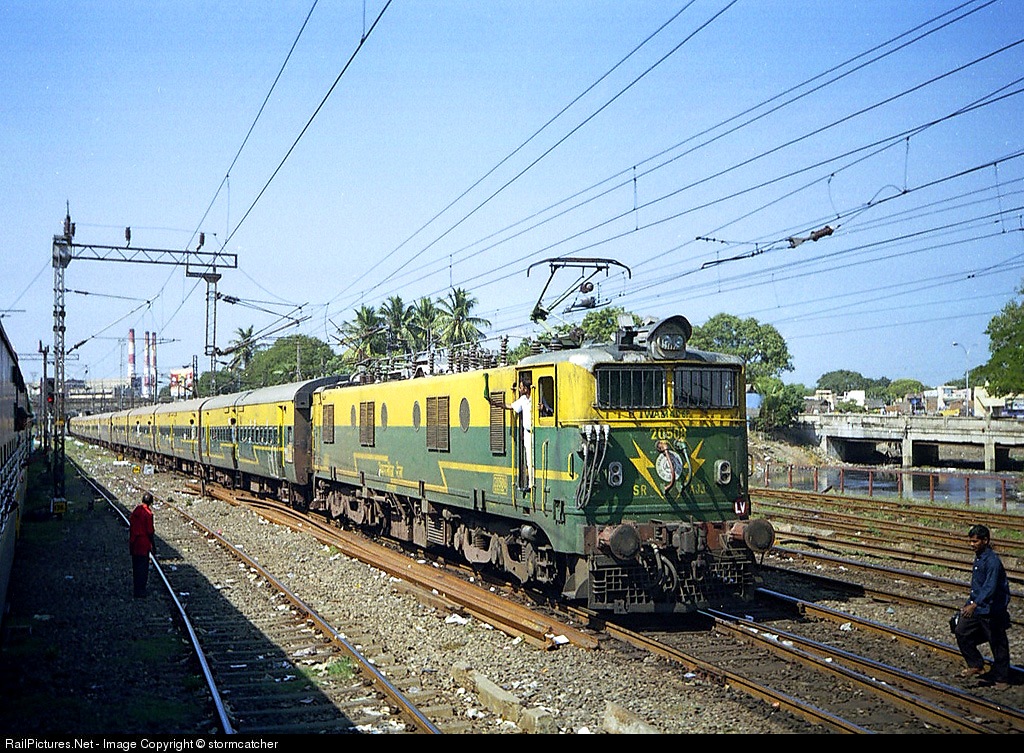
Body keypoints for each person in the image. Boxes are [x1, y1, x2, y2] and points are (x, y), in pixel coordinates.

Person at [955, 524, 1011, 690]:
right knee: (961, 631)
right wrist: (971, 603)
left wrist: (975, 604)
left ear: (985, 541)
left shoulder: (992, 561)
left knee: (998, 643)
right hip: (977, 606)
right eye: (970, 541)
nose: (972, 544)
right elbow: (978, 586)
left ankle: (1002, 679)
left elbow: (990, 587)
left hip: (992, 609)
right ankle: (976, 664)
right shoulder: (979, 557)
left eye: (975, 541)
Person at [507, 379, 534, 491]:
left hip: (535, 432)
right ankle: (530, 484)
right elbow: (512, 406)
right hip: (527, 433)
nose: (519, 389)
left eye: (521, 387)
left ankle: (532, 484)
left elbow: (548, 409)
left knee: (532, 459)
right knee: (529, 459)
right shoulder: (523, 400)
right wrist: (496, 404)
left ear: (526, 389)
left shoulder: (536, 398)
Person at [129, 491, 156, 598]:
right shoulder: (148, 514)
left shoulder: (136, 510)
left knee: (135, 566)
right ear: (151, 502)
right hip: (143, 543)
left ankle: (136, 589)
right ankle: (141, 590)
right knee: (143, 568)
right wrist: (153, 545)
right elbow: (150, 531)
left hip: (134, 541)